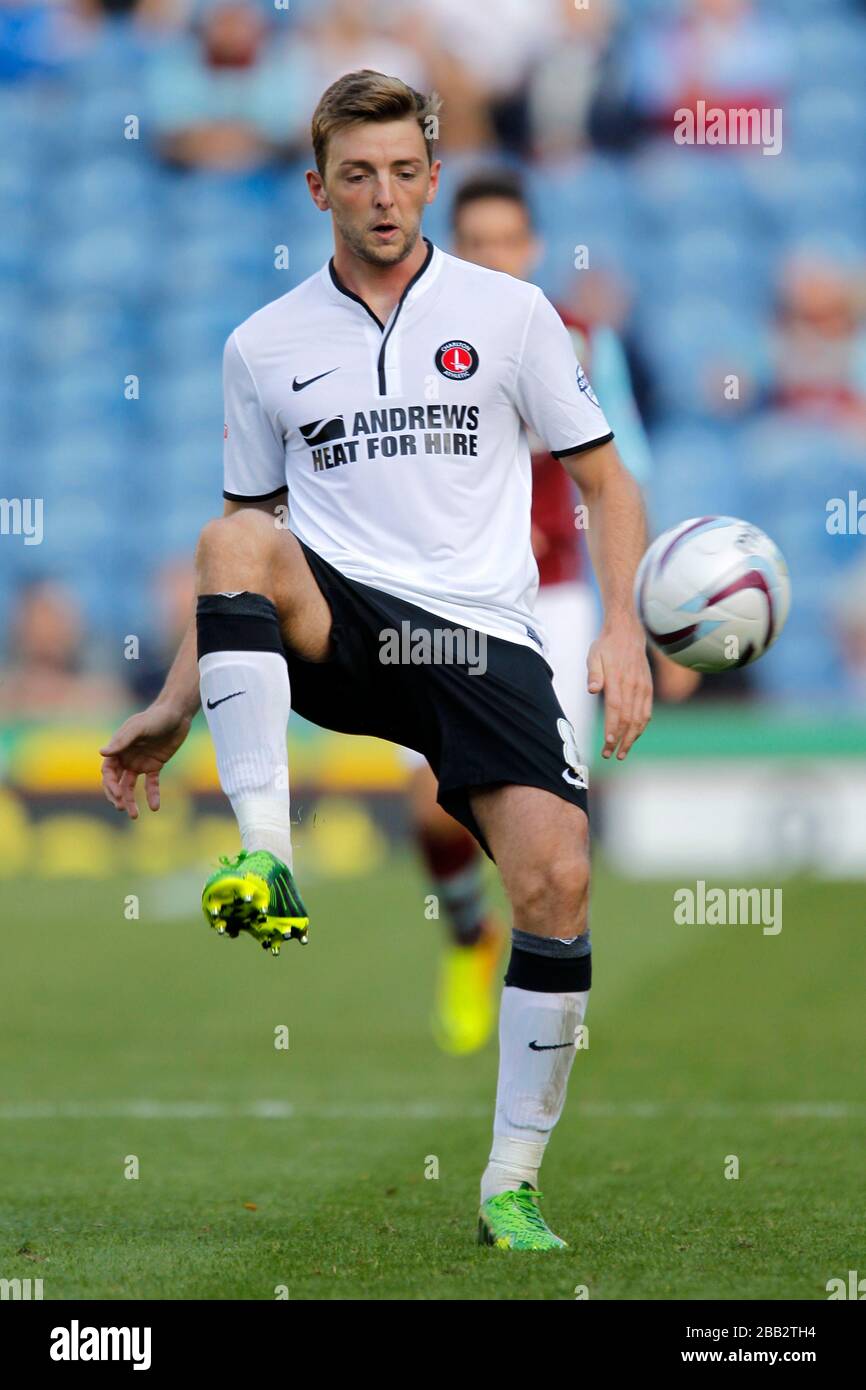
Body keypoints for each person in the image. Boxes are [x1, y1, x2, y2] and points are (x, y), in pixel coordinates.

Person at [100, 69, 653, 1251]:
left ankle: (509, 1180)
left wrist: (620, 627)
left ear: (434, 179)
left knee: (554, 880)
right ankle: (266, 855)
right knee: (232, 530)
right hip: (343, 622)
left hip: (481, 636)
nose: (384, 194)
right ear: (317, 187)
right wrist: (168, 704)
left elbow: (607, 481)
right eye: (357, 173)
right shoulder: (261, 345)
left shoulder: (510, 316)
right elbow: (242, 558)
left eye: (404, 171)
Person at [408, 167, 657, 1057]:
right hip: (440, 597)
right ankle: (467, 935)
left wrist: (633, 620)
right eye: (475, 243)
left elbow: (623, 473)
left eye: (507, 242)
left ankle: (534, 1016)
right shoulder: (416, 338)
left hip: (548, 600)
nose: (492, 258)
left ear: (533, 247)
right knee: (431, 811)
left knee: (546, 830)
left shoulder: (579, 340)